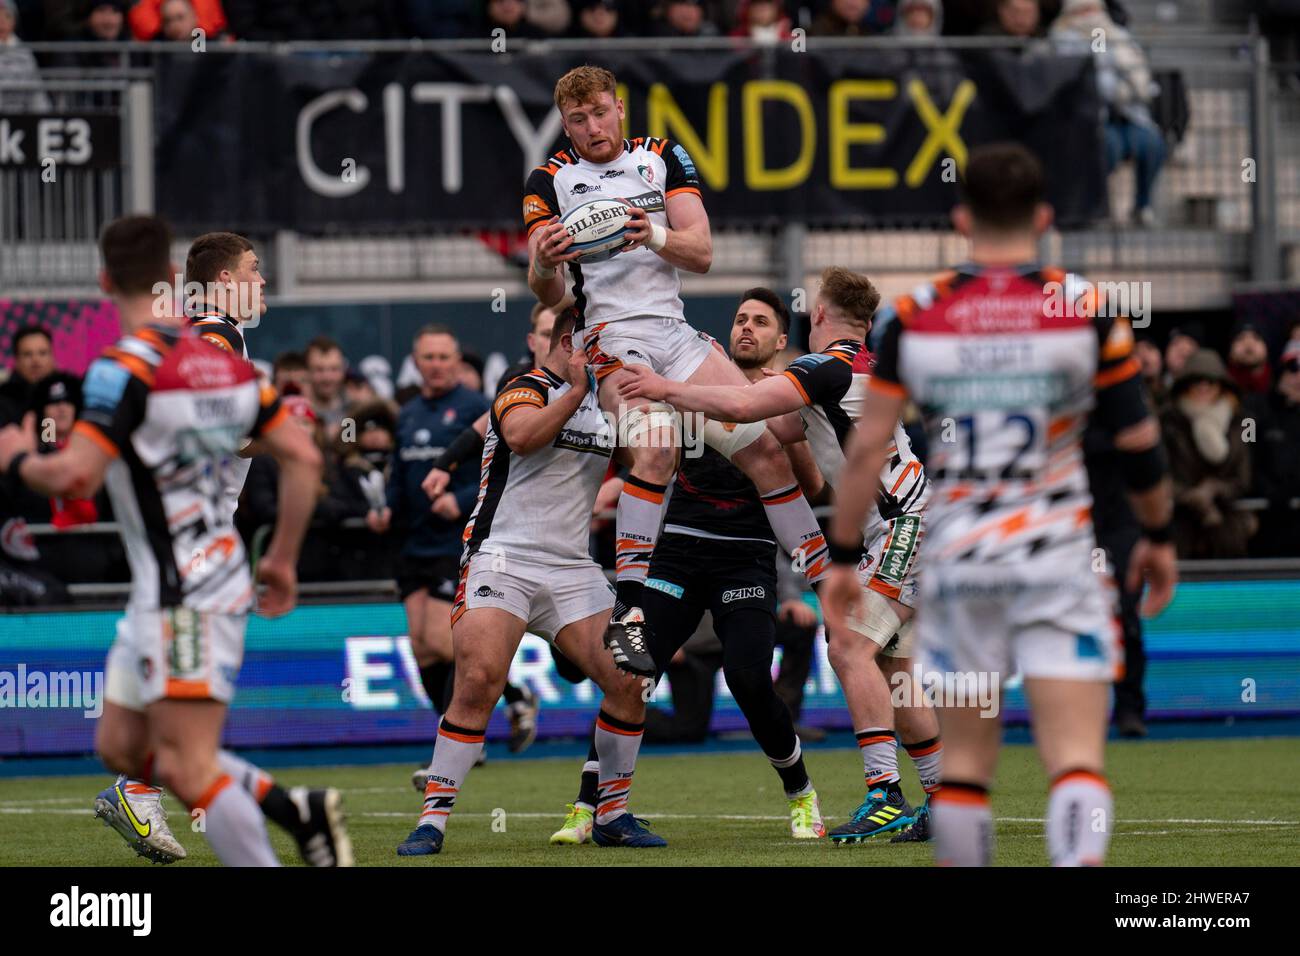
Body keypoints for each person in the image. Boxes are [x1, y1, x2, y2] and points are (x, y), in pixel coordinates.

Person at [820, 142, 1177, 867]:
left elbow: (866, 452)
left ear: (961, 219)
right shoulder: (1083, 309)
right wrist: (1160, 534)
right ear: (1045, 217)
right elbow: (1139, 442)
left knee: (967, 771)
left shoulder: (919, 314)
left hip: (961, 566)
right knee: (1075, 759)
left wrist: (846, 557)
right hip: (1056, 559)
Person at [0, 215, 351, 867]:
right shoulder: (212, 348)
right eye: (254, 270)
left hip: (189, 568)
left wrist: (19, 457)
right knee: (120, 742)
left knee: (188, 762)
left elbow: (84, 469)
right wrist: (279, 551)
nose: (264, 279)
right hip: (181, 567)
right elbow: (290, 451)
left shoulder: (164, 357)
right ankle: (249, 802)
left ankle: (283, 812)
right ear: (199, 281)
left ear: (105, 282)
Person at [525, 65, 831, 681]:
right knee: (657, 450)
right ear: (565, 124)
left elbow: (702, 252)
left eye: (602, 113)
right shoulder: (550, 179)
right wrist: (541, 262)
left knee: (769, 451)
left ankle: (833, 587)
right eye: (578, 120)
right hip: (612, 338)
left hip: (675, 333)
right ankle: (629, 613)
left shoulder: (662, 157)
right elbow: (547, 288)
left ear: (619, 107)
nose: (593, 128)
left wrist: (652, 231)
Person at [619, 267, 942, 844]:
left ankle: (884, 794)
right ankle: (944, 801)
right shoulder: (859, 368)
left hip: (902, 526)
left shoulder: (824, 366)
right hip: (904, 526)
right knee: (893, 672)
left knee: (846, 646)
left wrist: (667, 386)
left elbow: (752, 414)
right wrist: (734, 388)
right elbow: (780, 425)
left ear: (818, 316)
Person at [550, 287, 830, 844]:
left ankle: (801, 794)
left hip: (745, 559)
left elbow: (814, 485)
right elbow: (642, 447)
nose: (746, 328)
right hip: (675, 551)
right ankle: (590, 805)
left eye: (761, 322)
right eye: (740, 319)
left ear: (780, 341)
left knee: (749, 679)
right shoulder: (684, 374)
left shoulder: (784, 395)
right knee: (628, 666)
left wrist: (786, 431)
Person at [395, 307, 661, 855]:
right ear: (571, 343)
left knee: (633, 677)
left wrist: (644, 405)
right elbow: (520, 438)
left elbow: (649, 462)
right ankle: (432, 822)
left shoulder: (607, 403)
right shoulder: (524, 387)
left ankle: (612, 813)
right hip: (501, 559)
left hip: (574, 569)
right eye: (600, 345)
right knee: (479, 680)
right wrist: (578, 392)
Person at [367, 325, 496, 776]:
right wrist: (387, 514)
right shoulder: (407, 413)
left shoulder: (476, 408)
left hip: (455, 540)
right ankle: (458, 732)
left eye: (445, 357)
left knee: (446, 642)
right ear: (416, 362)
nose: (437, 365)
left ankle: (463, 737)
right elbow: (402, 476)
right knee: (422, 648)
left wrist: (458, 502)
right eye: (429, 357)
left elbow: (495, 470)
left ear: (458, 362)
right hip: (414, 542)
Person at [1051, 0, 1165, 225]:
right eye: (1083, 11)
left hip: (1129, 115)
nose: (1091, 16)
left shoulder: (1120, 36)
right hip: (1092, 119)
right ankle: (1097, 207)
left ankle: (1142, 206)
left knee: (1153, 144)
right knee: (1107, 149)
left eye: (1094, 9)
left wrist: (1130, 89)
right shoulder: (1063, 40)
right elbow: (1096, 80)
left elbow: (1141, 76)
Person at [182, 231, 267, 526]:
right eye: (254, 269)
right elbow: (229, 436)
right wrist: (285, 433)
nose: (262, 281)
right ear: (226, 278)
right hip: (197, 524)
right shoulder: (217, 336)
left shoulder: (201, 329)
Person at [1161, 349, 1255, 559]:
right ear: (1185, 385)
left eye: (1210, 381)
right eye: (1196, 381)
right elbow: (1160, 474)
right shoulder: (1168, 423)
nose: (1203, 387)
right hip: (1180, 530)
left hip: (1226, 529)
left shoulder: (1241, 423)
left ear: (1222, 386)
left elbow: (1243, 478)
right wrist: (1192, 497)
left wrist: (1213, 489)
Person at [0, 0, 52, 112]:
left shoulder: (24, 53)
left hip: (20, 117)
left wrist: (43, 117)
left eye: (7, 16)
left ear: (14, 21)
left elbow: (36, 91)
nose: (1, 22)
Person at [1, 325, 56, 424]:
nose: (36, 361)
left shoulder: (69, 395)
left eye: (42, 353)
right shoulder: (4, 399)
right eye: (27, 354)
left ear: (52, 357)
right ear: (16, 360)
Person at [304, 336, 348, 437]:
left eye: (334, 369)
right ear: (306, 371)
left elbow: (352, 447)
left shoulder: (354, 411)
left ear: (343, 371)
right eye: (319, 369)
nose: (327, 378)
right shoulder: (293, 412)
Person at [1226, 322, 1273, 396]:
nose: (1248, 343)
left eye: (1256, 338)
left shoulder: (1281, 384)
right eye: (1240, 338)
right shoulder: (1219, 388)